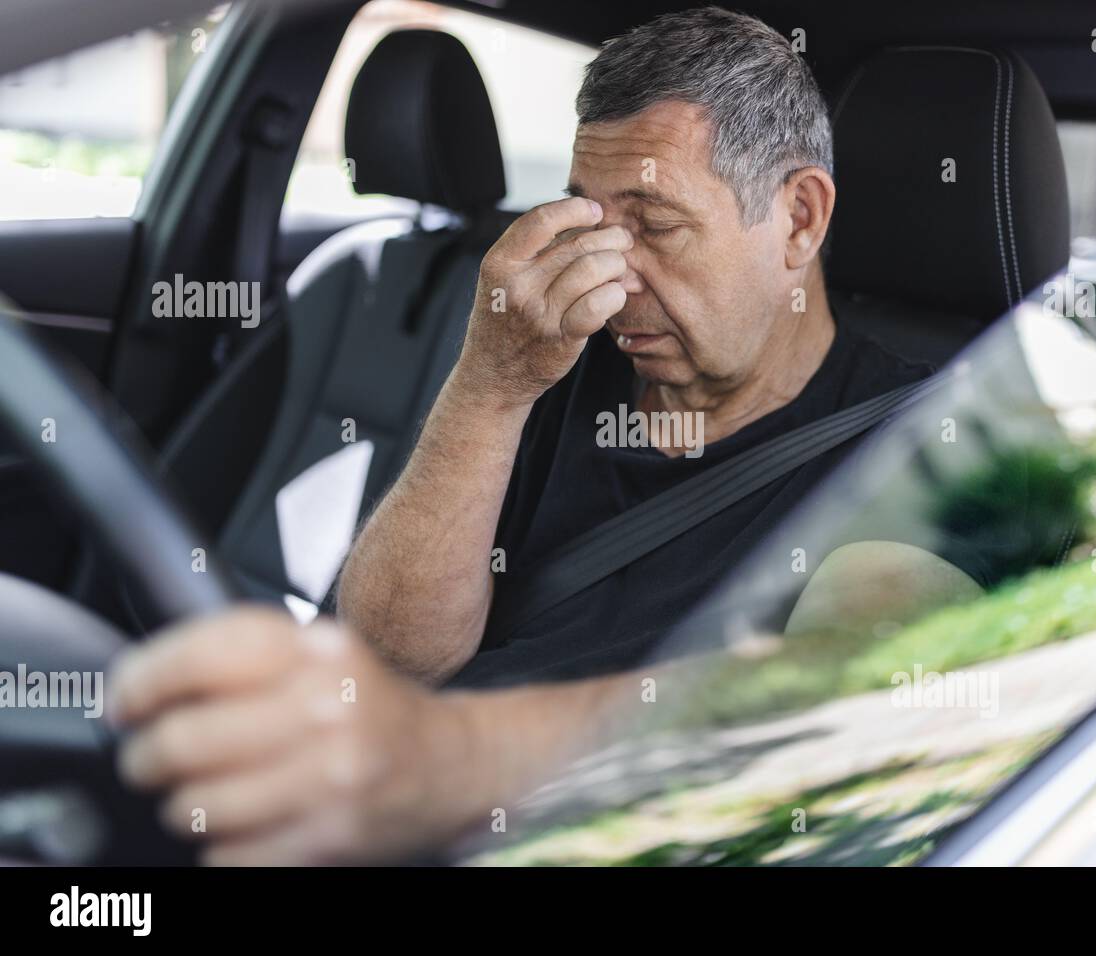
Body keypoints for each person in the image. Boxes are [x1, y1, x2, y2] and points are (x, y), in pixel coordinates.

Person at [109, 7, 980, 864]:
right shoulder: (548, 363)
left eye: (656, 224)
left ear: (798, 220)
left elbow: (827, 702)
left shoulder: (925, 444)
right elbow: (383, 662)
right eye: (588, 221)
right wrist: (489, 388)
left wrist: (435, 756)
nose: (608, 277)